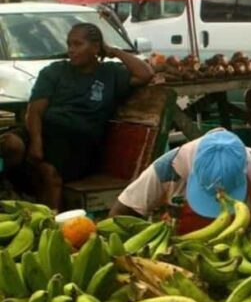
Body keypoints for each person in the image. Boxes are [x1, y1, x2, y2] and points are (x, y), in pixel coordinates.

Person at [0, 23, 153, 209]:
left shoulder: (110, 74)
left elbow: (145, 74)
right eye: (69, 44)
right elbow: (34, 111)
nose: (71, 50)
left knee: (48, 173)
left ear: (96, 47)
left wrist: (113, 51)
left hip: (77, 144)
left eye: (77, 44)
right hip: (43, 132)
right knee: (9, 143)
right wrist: (36, 143)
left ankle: (49, 223)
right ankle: (8, 191)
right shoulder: (54, 71)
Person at [110, 129, 251, 255]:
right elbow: (119, 215)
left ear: (245, 172)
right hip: (175, 261)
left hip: (238, 262)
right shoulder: (169, 169)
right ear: (192, 168)